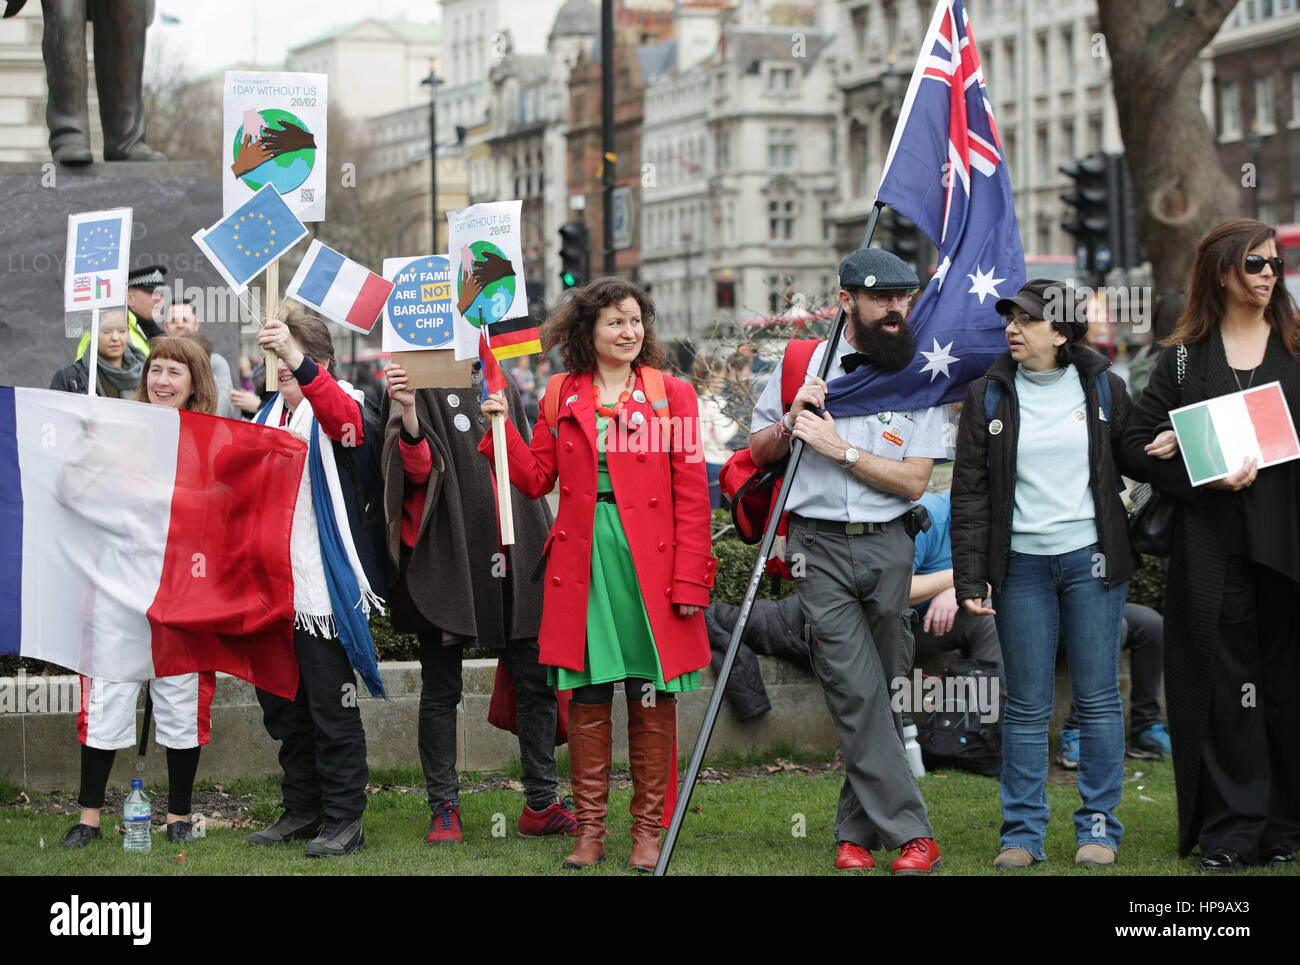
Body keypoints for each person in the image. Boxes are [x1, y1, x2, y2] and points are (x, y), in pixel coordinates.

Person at [479, 277, 716, 871]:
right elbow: (535, 480)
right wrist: (500, 427)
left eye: (635, 321)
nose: (628, 332)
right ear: (587, 331)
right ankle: (589, 832)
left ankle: (647, 832)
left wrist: (691, 579)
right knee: (585, 698)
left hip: (653, 569)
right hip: (581, 565)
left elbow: (692, 495)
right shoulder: (560, 393)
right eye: (615, 322)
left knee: (651, 697)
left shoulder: (673, 396)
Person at [748, 248, 949, 875]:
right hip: (817, 546)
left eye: (904, 298)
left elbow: (916, 481)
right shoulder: (798, 363)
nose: (897, 309)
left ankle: (855, 834)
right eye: (882, 297)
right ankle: (915, 832)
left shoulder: (920, 371)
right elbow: (757, 452)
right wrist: (791, 420)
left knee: (886, 685)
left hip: (890, 540)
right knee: (852, 685)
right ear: (846, 301)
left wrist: (840, 452)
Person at [1122, 219, 1300, 872]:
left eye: (1275, 266)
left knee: (1285, 689)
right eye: (1256, 264)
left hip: (1288, 550)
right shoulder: (1184, 356)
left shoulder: (1297, 343)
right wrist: (1198, 461)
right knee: (1228, 692)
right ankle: (1230, 832)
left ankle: (1284, 828)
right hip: (1214, 552)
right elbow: (1134, 447)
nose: (1268, 276)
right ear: (1222, 271)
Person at [951, 278, 1142, 870]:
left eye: (1028, 320)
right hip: (1022, 569)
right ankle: (1022, 835)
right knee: (1028, 705)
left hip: (1093, 560)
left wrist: (1170, 445)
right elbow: (970, 496)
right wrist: (969, 578)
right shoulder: (987, 395)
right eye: (1010, 318)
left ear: (1061, 332)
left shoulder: (1105, 387)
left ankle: (1099, 830)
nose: (1013, 327)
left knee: (1099, 699)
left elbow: (1134, 453)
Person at [381, 361, 574, 845]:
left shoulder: (495, 373)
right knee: (441, 685)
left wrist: (505, 423)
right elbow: (416, 470)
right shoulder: (415, 378)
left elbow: (532, 467)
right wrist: (406, 412)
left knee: (534, 678)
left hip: (518, 542)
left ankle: (541, 803)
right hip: (452, 548)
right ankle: (444, 806)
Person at [60, 336, 219, 848]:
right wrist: (85, 448)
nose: (162, 381)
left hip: (182, 591)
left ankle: (178, 818)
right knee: (106, 697)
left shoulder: (212, 439)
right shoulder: (118, 432)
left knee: (180, 699)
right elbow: (71, 492)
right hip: (119, 589)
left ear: (194, 382)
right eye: (156, 370)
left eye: (175, 371)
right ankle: (88, 819)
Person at [245, 310, 387, 858]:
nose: (281, 367)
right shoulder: (265, 418)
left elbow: (343, 421)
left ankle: (345, 817)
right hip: (272, 591)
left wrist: (295, 357)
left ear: (319, 362)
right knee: (285, 708)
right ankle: (303, 807)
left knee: (332, 706)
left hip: (320, 591)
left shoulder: (346, 410)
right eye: (276, 358)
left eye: (292, 358)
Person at [1056, 603, 1169, 768]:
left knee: (1152, 625)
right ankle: (1078, 731)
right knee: (1111, 626)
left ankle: (1146, 727)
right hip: (1045, 611)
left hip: (1090, 601)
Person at [73, 265, 167, 363]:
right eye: (153, 293)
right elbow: (87, 374)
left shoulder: (155, 333)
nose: (159, 299)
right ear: (130, 299)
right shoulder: (102, 328)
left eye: (162, 294)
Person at [163, 298, 238, 418]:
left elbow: (225, 409)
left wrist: (200, 365)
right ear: (165, 327)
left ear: (196, 325)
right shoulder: (156, 361)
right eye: (173, 321)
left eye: (185, 320)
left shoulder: (216, 362)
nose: (180, 325)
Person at [50, 306, 145, 397]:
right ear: (92, 331)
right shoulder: (70, 379)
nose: (115, 338)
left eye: (121, 331)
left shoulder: (147, 371)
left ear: (128, 331)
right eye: (107, 331)